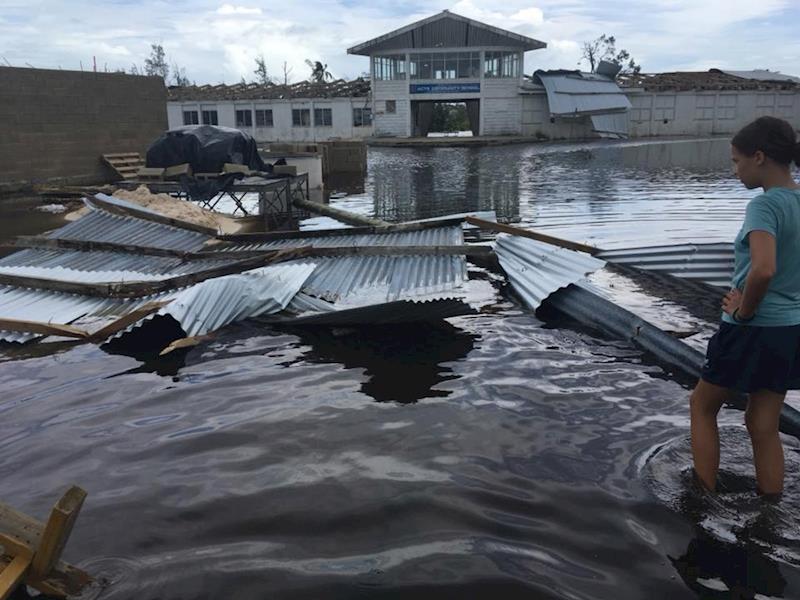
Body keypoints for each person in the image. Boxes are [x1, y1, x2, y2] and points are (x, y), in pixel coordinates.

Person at [690, 116, 800, 496]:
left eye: (736, 161)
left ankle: (701, 500)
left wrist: (744, 311)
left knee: (702, 406)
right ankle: (771, 505)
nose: (734, 170)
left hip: (753, 326)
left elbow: (764, 269)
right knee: (763, 423)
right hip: (790, 331)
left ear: (759, 157)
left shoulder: (765, 206)